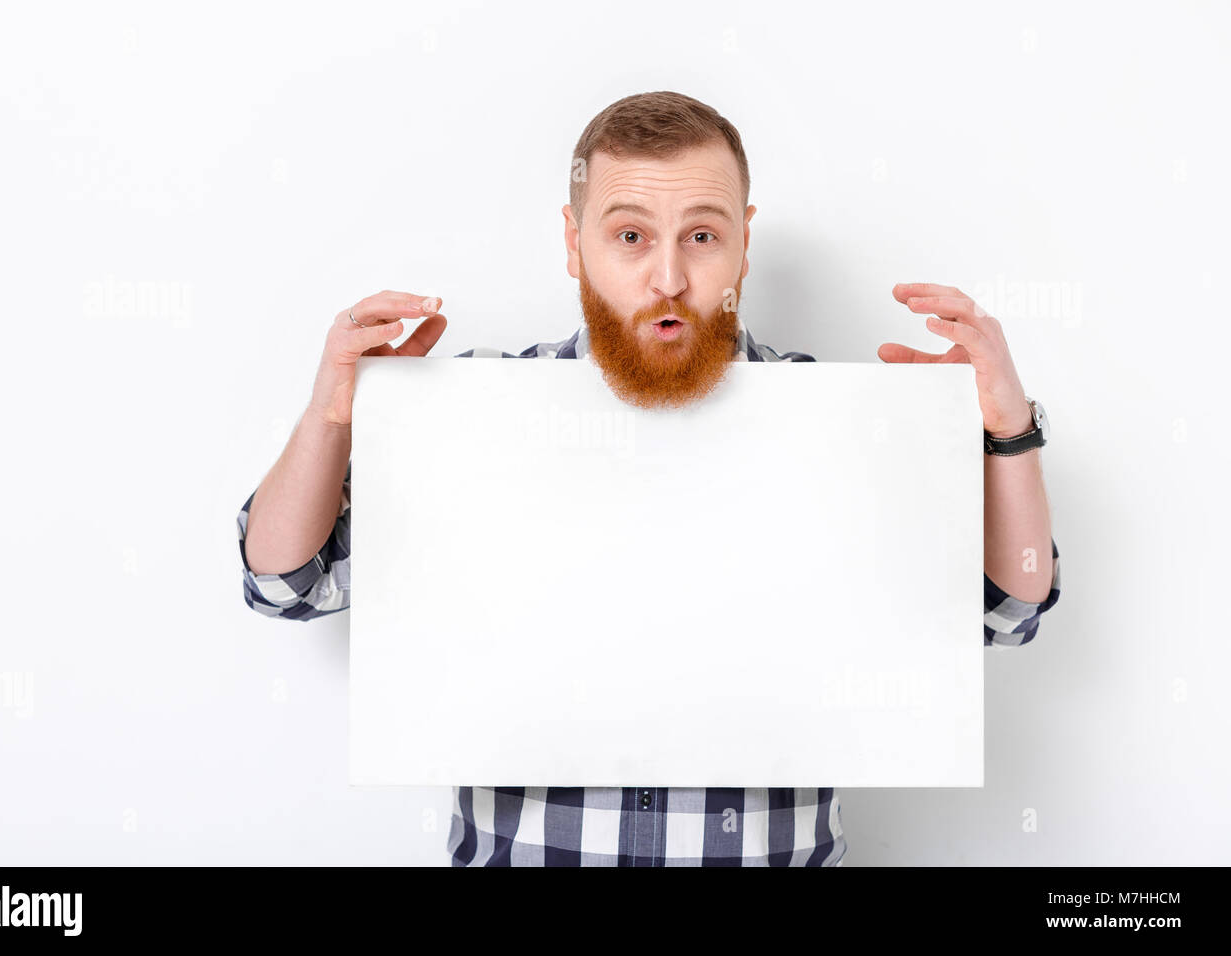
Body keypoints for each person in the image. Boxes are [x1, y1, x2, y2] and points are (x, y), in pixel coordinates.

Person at [236, 91, 1063, 866]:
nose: (667, 277)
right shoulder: (466, 413)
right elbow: (285, 584)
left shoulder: (843, 423)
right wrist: (330, 417)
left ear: (743, 240)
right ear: (574, 242)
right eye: (629, 235)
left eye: (701, 236)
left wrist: (1006, 434)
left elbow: (1008, 611)